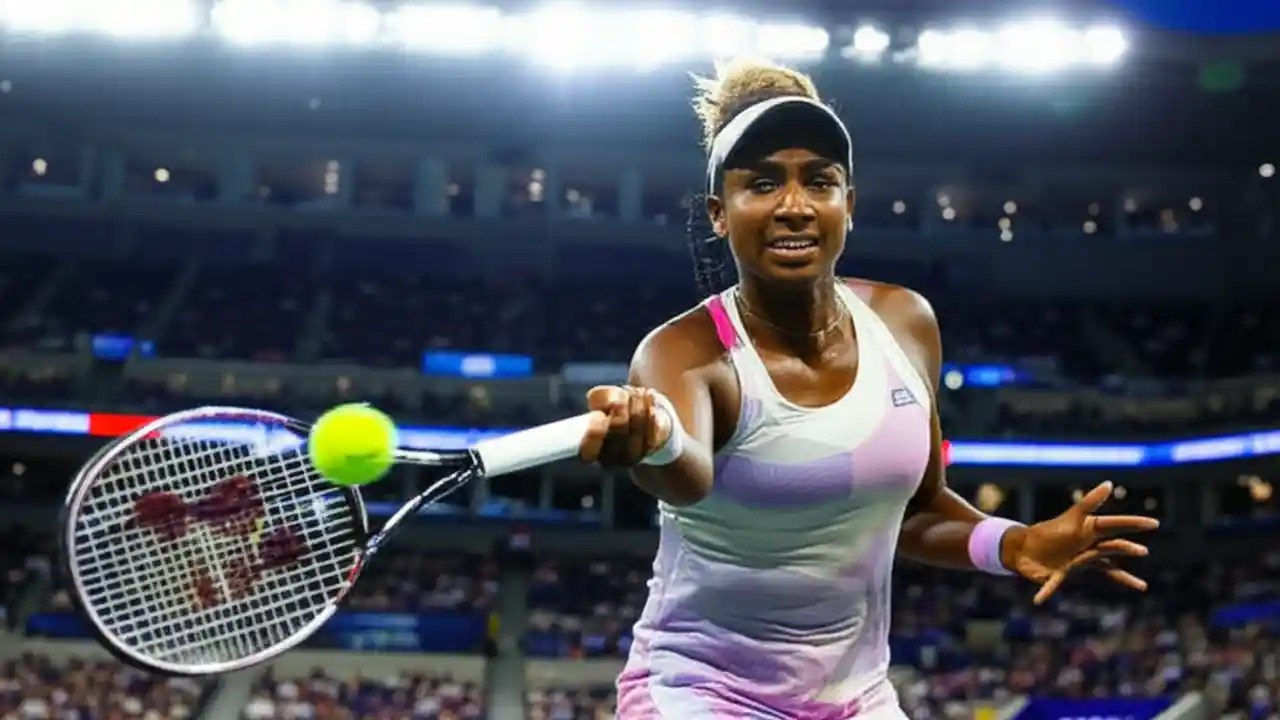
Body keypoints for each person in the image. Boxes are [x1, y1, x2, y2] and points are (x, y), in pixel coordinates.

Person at [576, 58, 1160, 719]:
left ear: (848, 205)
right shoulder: (681, 352)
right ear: (719, 213)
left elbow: (917, 509)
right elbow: (686, 475)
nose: (794, 206)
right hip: (698, 693)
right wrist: (653, 442)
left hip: (857, 699)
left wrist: (1014, 544)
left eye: (819, 181)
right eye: (762, 183)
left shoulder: (906, 324)